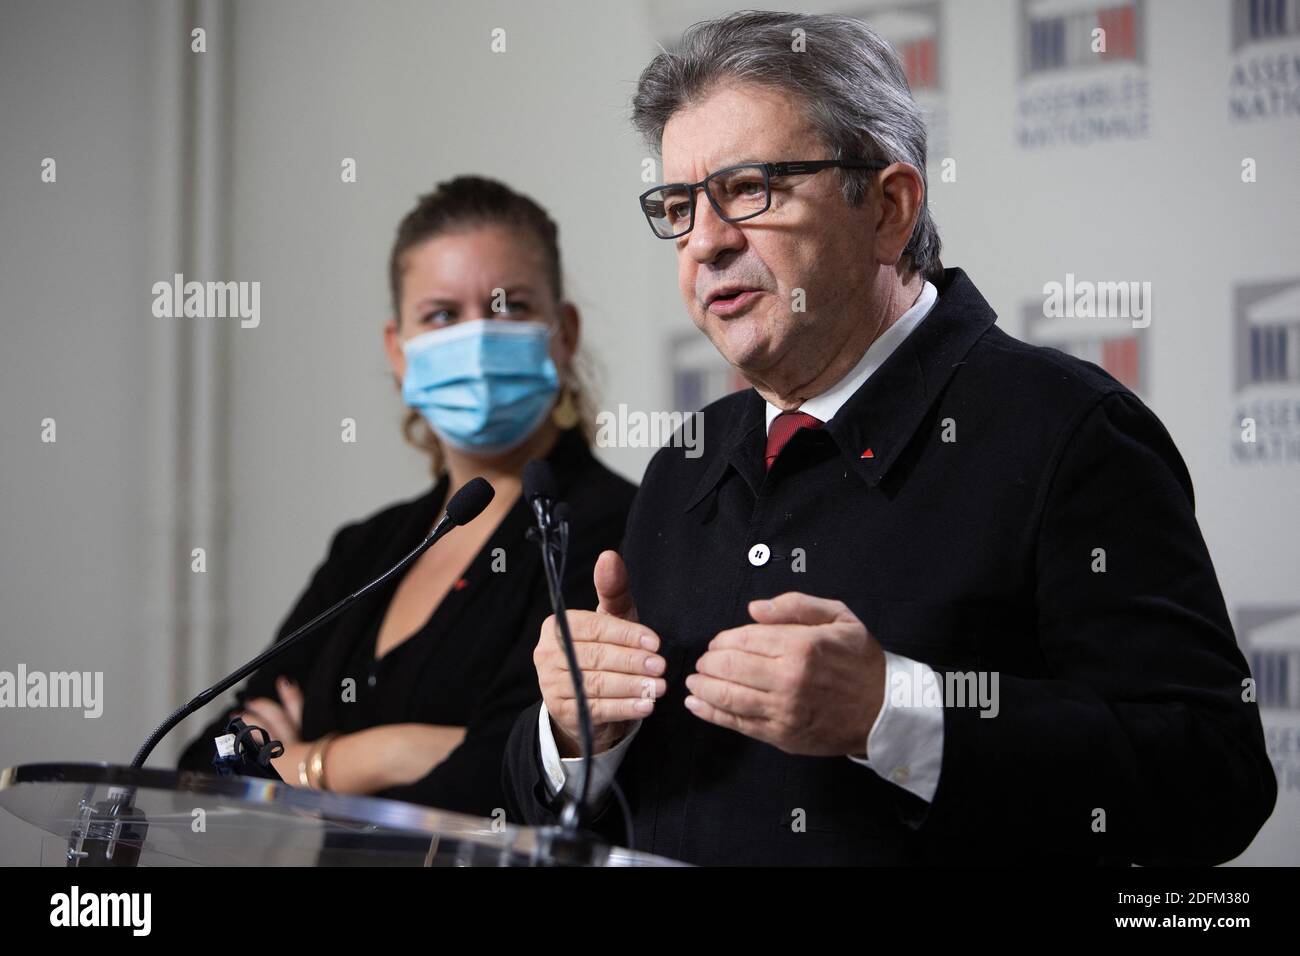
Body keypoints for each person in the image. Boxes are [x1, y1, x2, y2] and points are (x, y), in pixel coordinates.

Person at [503, 11, 1276, 865]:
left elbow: (1215, 777)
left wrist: (895, 717)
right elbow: (625, 812)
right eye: (680, 206)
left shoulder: (1066, 430)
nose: (708, 243)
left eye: (749, 189)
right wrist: (578, 736)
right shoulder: (684, 463)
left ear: (889, 207)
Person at [179, 176, 636, 821]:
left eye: (509, 306)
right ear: (399, 350)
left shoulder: (617, 531)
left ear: (563, 334)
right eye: (442, 315)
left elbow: (503, 781)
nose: (476, 339)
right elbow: (208, 764)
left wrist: (309, 760)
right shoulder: (365, 549)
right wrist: (380, 755)